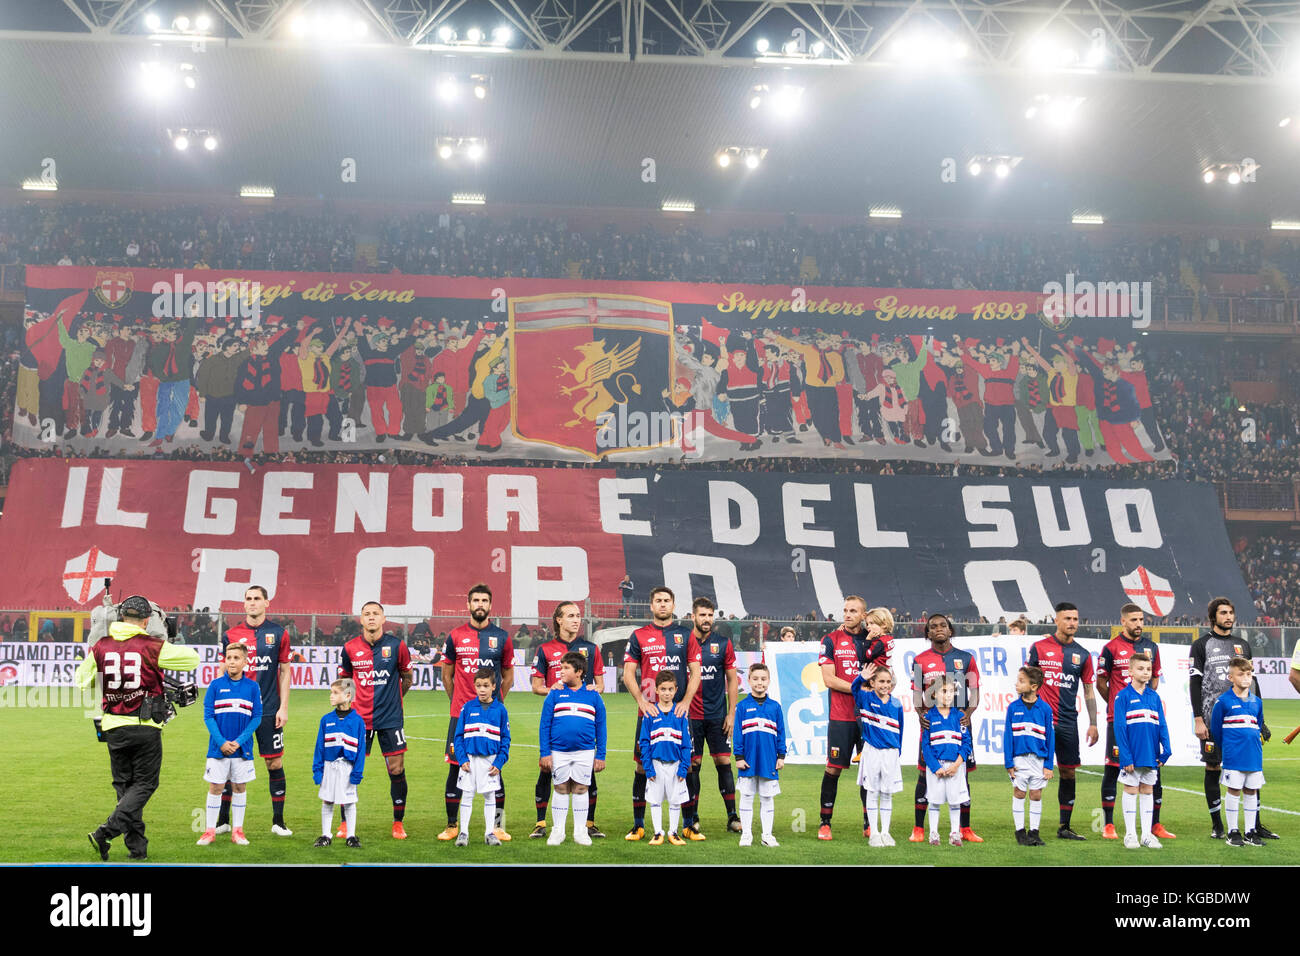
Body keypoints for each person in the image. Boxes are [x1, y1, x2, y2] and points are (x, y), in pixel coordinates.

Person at [80, 595, 200, 861]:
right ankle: (105, 832)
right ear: (147, 620)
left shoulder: (101, 646)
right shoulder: (153, 645)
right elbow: (191, 659)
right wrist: (165, 639)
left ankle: (137, 849)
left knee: (125, 788)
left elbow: (81, 681)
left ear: (122, 617)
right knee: (145, 784)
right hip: (144, 725)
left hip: (112, 726)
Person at [1190, 597, 1275, 840]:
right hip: (1212, 718)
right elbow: (1194, 682)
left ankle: (1254, 826)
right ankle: (1218, 825)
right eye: (1223, 613)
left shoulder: (1243, 645)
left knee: (1250, 770)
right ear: (1213, 616)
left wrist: (1261, 720)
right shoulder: (1200, 645)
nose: (1228, 617)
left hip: (1244, 720)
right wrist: (1198, 718)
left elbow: (1253, 682)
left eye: (1231, 612)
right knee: (1213, 766)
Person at [621, 586, 700, 841]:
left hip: (677, 713)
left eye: (667, 600)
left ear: (673, 605)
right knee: (642, 768)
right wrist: (641, 701)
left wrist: (686, 701)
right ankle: (639, 825)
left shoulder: (685, 635)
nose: (663, 604)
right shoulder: (638, 635)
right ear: (651, 605)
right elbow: (628, 673)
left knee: (685, 766)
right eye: (658, 601)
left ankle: (687, 825)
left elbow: (696, 672)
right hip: (651, 714)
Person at [439, 584, 514, 842]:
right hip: (461, 714)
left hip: (491, 715)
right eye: (475, 600)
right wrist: (458, 704)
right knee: (455, 766)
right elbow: (446, 675)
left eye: (484, 600)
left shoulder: (502, 637)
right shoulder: (456, 635)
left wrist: (496, 705)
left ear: (490, 605)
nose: (480, 604)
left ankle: (497, 825)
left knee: (496, 768)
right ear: (468, 604)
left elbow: (508, 676)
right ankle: (452, 825)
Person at [216, 585, 293, 837]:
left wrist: (283, 707)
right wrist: (218, 704)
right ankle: (223, 821)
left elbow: (284, 671)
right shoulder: (231, 634)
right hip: (236, 710)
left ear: (266, 603)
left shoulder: (279, 634)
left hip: (269, 709)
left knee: (274, 762)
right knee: (229, 762)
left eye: (257, 599)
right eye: (248, 599)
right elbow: (223, 669)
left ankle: (278, 822)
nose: (252, 603)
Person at [1097, 603, 1174, 840]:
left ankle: (1155, 824)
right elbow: (1101, 682)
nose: (1138, 624)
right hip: (1120, 719)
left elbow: (1154, 681)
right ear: (1124, 622)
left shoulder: (1152, 647)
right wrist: (1116, 705)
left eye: (1141, 619)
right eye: (1133, 620)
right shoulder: (1110, 648)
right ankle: (1109, 824)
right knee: (1113, 767)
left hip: (1146, 720)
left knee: (1153, 769)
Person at [338, 601, 413, 840]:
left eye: (375, 614)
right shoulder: (350, 648)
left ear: (383, 619)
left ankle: (398, 823)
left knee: (397, 768)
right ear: (360, 620)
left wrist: (395, 698)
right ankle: (343, 823)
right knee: (348, 769)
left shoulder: (397, 646)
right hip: (358, 719)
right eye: (366, 614)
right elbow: (346, 682)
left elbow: (407, 677)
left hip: (390, 718)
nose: (371, 618)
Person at [529, 601, 605, 839]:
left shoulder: (591, 649)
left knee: (587, 775)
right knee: (546, 769)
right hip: (557, 719)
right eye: (570, 615)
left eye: (578, 615)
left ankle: (588, 824)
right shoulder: (545, 649)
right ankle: (541, 823)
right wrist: (551, 689)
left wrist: (594, 689)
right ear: (558, 620)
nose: (576, 620)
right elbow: (535, 686)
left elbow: (601, 684)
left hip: (582, 714)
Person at [1026, 601, 1097, 840]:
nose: (1072, 623)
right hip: (1040, 723)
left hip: (1068, 722)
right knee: (1034, 773)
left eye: (1075, 619)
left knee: (1068, 773)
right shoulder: (1039, 648)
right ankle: (1030, 828)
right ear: (1056, 620)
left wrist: (1093, 723)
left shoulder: (1083, 655)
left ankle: (1064, 827)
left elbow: (1088, 691)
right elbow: (1026, 683)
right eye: (1067, 618)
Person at [910, 612, 982, 843]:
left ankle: (965, 828)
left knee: (963, 775)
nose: (939, 628)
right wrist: (921, 715)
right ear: (928, 632)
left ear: (950, 630)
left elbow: (975, 690)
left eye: (943, 625)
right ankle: (919, 829)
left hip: (958, 725)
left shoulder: (966, 658)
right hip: (932, 725)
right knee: (925, 773)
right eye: (933, 626)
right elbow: (916, 693)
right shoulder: (920, 659)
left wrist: (968, 714)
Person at [815, 595, 872, 840]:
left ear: (863, 615)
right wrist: (859, 686)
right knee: (833, 768)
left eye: (853, 611)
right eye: (845, 610)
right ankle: (825, 822)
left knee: (870, 771)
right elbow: (829, 679)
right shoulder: (831, 639)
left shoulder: (874, 640)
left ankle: (870, 823)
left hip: (869, 717)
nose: (847, 614)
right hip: (841, 717)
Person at [684, 596, 741, 836]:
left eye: (710, 615)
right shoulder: (683, 643)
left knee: (723, 763)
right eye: (702, 615)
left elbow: (732, 681)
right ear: (693, 616)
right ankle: (693, 818)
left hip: (718, 716)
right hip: (691, 717)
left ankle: (732, 817)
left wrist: (731, 713)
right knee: (693, 765)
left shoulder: (723, 643)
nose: (707, 619)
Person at [538, 652, 607, 846]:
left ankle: (580, 831)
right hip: (558, 751)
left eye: (566, 668)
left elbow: (601, 726)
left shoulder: (593, 696)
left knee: (580, 788)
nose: (561, 671)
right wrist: (545, 752)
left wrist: (600, 754)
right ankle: (557, 831)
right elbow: (545, 724)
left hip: (585, 751)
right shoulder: (555, 694)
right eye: (560, 667)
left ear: (579, 672)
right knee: (560, 788)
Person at [196, 642, 262, 846]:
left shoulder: (253, 687)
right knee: (215, 787)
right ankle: (209, 831)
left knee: (239, 787)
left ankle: (238, 831)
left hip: (243, 749)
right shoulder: (215, 686)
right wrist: (222, 742)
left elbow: (257, 717)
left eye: (236, 658)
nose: (231, 661)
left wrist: (239, 741)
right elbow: (208, 717)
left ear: (245, 661)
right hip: (218, 748)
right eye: (229, 657)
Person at [1113, 652, 1172, 849]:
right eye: (1140, 669)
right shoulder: (1122, 696)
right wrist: (1126, 756)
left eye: (1148, 669)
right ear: (1130, 672)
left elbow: (1162, 724)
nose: (1145, 673)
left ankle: (1147, 835)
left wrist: (1166, 749)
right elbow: (1120, 729)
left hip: (1151, 753)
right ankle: (1130, 835)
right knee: (1131, 790)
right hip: (1133, 754)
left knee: (1147, 790)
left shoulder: (1154, 697)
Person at [1209, 657, 1267, 847]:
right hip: (1234, 756)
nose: (1246, 678)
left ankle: (1250, 831)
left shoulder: (1257, 702)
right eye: (1241, 674)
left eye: (1249, 674)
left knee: (1251, 791)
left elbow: (1257, 726)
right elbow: (1216, 730)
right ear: (1231, 677)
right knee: (1234, 791)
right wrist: (1229, 748)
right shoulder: (1223, 702)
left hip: (1254, 756)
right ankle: (1233, 831)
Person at [452, 669, 511, 846]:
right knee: (467, 795)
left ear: (494, 686)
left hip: (490, 761)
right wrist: (462, 759)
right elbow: (458, 736)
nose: (482, 690)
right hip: (470, 760)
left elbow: (506, 739)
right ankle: (463, 833)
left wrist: (499, 762)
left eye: (486, 686)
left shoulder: (500, 709)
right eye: (478, 686)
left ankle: (489, 833)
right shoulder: (468, 707)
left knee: (489, 797)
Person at [733, 662, 785, 847]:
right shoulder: (742, 706)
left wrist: (781, 756)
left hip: (769, 759)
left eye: (763, 679)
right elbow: (737, 733)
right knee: (746, 796)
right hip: (747, 760)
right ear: (748, 681)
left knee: (767, 797)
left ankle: (767, 835)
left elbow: (781, 733)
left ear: (769, 681)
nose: (759, 682)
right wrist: (738, 757)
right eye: (755, 679)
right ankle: (746, 834)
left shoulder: (775, 707)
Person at [852, 664, 903, 846]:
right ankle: (874, 833)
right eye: (881, 681)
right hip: (872, 751)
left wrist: (899, 751)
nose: (885, 685)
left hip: (890, 753)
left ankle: (886, 832)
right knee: (872, 792)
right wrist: (860, 677)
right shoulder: (865, 698)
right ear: (872, 683)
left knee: (887, 793)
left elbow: (900, 729)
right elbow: (854, 689)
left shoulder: (896, 703)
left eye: (888, 682)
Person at [639, 671, 693, 845]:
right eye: (663, 689)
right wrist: (648, 767)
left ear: (676, 690)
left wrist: (684, 767)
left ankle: (673, 832)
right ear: (656, 689)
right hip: (656, 764)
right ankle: (657, 832)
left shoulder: (681, 713)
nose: (667, 693)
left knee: (675, 801)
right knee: (655, 801)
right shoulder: (650, 713)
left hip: (676, 766)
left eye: (670, 689)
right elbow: (644, 743)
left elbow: (686, 744)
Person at [1003, 665, 1055, 847]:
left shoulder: (1045, 709)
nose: (1017, 684)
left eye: (1021, 681)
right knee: (1019, 792)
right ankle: (1020, 832)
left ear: (1034, 687)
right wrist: (1008, 762)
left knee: (1036, 794)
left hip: (1038, 760)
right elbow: (1008, 736)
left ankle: (1034, 832)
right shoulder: (1013, 708)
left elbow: (1050, 737)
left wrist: (1049, 764)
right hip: (1019, 760)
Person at [312, 678, 366, 848]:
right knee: (327, 801)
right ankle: (326, 835)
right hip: (329, 766)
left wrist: (357, 772)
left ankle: (351, 836)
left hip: (348, 769)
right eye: (331, 692)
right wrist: (318, 770)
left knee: (349, 801)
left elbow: (361, 750)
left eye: (335, 693)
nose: (331, 696)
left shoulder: (358, 722)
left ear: (348, 695)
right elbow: (319, 747)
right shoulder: (325, 720)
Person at [921, 677, 972, 847]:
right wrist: (935, 767)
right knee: (934, 801)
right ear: (934, 693)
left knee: (955, 801)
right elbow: (925, 746)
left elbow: (966, 743)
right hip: (936, 767)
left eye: (951, 691)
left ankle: (954, 834)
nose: (948, 695)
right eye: (944, 691)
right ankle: (933, 833)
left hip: (955, 767)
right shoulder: (928, 717)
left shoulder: (959, 716)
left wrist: (957, 765)